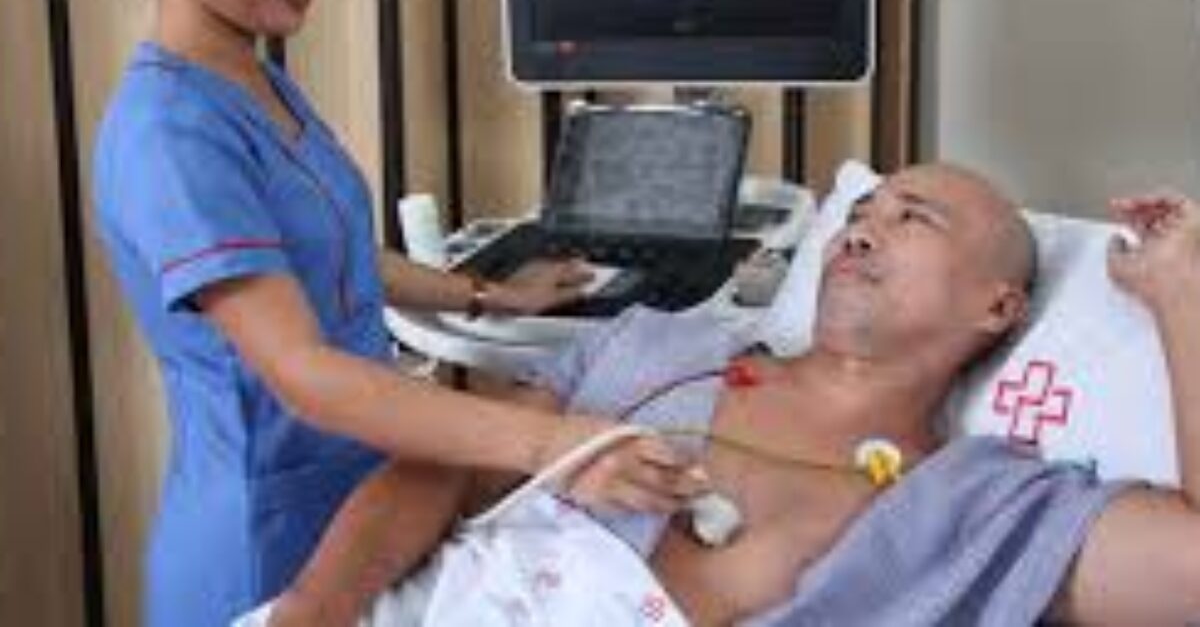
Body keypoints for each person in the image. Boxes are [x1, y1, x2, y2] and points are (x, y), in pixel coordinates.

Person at [74, 0, 706, 627]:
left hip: (365, 505)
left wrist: (489, 294)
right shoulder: (169, 132)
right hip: (266, 540)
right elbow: (303, 373)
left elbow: (324, 253)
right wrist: (554, 444)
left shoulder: (256, 80)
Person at [258, 162, 1200, 626]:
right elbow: (444, 472)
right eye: (859, 214)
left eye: (912, 219)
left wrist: (1180, 296)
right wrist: (310, 612)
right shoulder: (653, 346)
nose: (858, 233)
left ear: (998, 306)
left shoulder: (981, 505)